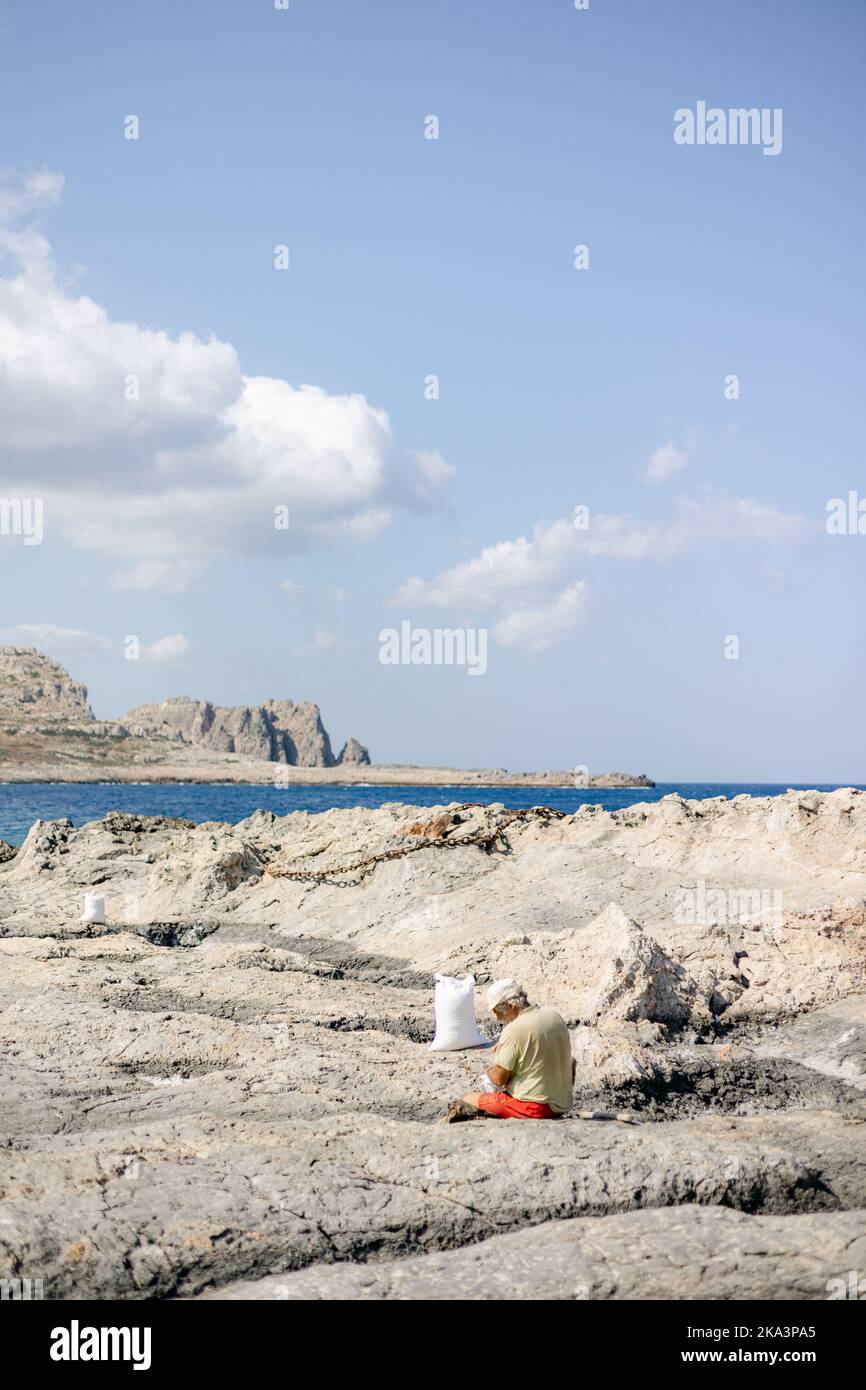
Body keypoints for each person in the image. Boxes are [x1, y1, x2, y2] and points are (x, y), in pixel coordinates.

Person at [444, 978, 576, 1121]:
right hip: (562, 1103)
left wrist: (488, 1072)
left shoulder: (513, 1030)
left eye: (498, 1011)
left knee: (467, 1099)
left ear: (511, 1005)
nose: (498, 1017)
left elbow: (499, 1079)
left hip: (534, 1107)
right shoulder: (553, 1015)